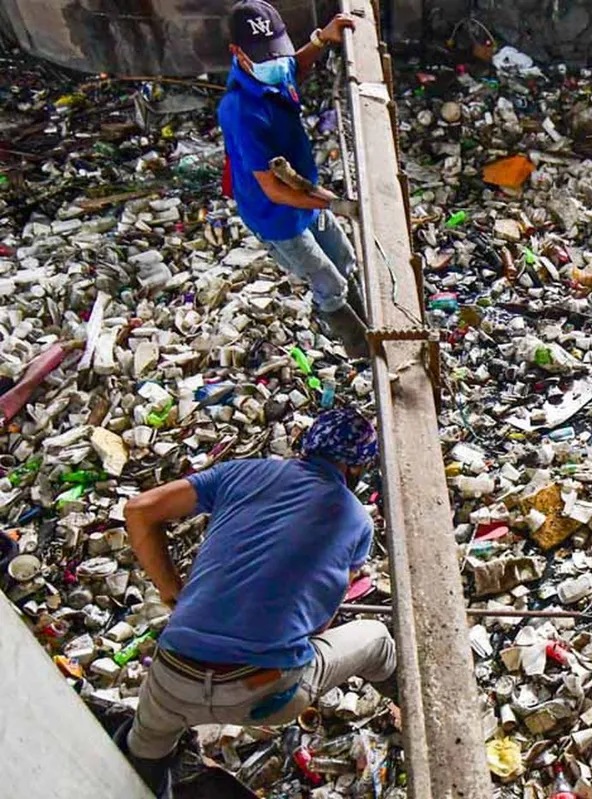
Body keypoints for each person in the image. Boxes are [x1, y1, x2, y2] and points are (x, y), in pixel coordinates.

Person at [116, 408, 396, 796]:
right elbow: (320, 627)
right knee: (377, 637)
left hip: (173, 676)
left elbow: (140, 510)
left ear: (307, 445)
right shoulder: (356, 522)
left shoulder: (239, 472)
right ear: (359, 468)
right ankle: (409, 712)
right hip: (265, 694)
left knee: (144, 750)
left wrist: (171, 590)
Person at [218, 0, 370, 359]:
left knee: (345, 259)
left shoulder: (268, 66)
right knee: (329, 283)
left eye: (276, 53)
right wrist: (334, 204)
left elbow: (291, 68)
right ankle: (360, 348)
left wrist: (321, 40)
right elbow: (273, 189)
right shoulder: (242, 112)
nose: (275, 64)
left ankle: (369, 321)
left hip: (306, 192)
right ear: (237, 54)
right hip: (277, 216)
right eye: (265, 58)